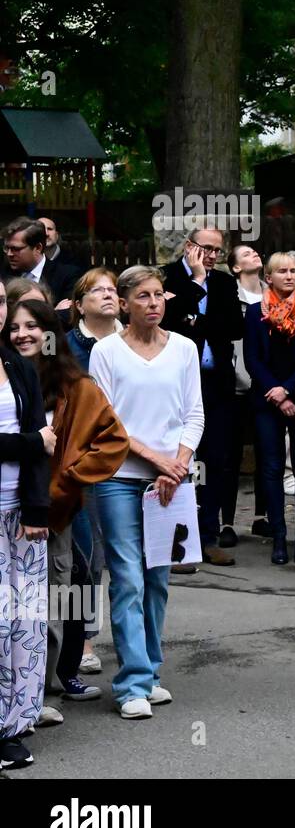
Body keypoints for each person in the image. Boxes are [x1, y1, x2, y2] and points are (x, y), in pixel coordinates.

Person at [90, 265, 205, 719]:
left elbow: (193, 413)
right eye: (143, 296)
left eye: (159, 295)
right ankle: (131, 683)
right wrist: (158, 461)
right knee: (128, 576)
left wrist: (175, 465)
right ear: (124, 303)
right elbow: (106, 422)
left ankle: (151, 672)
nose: (154, 303)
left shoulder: (184, 348)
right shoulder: (106, 351)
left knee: (159, 576)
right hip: (119, 476)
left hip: (171, 478)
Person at [8, 300, 127, 714]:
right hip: (11, 506)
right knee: (21, 602)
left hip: (57, 509)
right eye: (14, 327)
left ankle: (59, 676)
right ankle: (27, 693)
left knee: (68, 588)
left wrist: (71, 474)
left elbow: (113, 440)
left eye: (32, 326)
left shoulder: (76, 385)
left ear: (50, 335)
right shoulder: (8, 380)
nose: (22, 334)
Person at [161, 227, 243, 568]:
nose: (211, 256)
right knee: (175, 461)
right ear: (189, 246)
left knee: (215, 459)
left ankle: (207, 537)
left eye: (217, 251)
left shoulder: (224, 283)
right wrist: (195, 284)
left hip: (215, 383)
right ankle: (173, 540)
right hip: (176, 384)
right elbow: (170, 321)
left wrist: (198, 320)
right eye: (205, 248)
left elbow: (235, 327)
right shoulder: (167, 278)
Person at [0, 291, 53, 769]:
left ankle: (11, 726)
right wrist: (30, 441)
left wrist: (38, 510)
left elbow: (44, 444)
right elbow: (37, 438)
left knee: (24, 622)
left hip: (18, 515)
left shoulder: (16, 365)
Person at [245, 252, 295, 565]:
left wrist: (289, 389)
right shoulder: (255, 313)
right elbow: (252, 358)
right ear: (269, 277)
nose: (291, 276)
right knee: (272, 467)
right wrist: (277, 394)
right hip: (267, 398)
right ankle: (278, 537)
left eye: (294, 270)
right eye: (283, 271)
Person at [65, 268, 123, 676]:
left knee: (125, 553)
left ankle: (131, 636)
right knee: (86, 554)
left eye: (112, 289)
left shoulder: (134, 340)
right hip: (83, 459)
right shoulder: (66, 346)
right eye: (96, 290)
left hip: (130, 456)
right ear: (78, 302)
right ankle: (81, 640)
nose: (107, 295)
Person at [226, 244, 269, 543]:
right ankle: (226, 523)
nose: (254, 254)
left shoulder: (273, 294)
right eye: (245, 254)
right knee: (230, 456)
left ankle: (261, 517)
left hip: (266, 385)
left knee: (267, 453)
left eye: (256, 251)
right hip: (236, 383)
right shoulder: (230, 297)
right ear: (235, 268)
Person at [2, 217, 79, 302]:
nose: (9, 254)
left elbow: (68, 313)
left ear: (38, 248)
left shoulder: (67, 276)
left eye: (16, 249)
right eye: (6, 248)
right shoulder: (3, 276)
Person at [37, 216, 86, 308]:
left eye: (50, 229)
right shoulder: (26, 264)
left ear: (57, 235)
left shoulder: (73, 262)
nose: (46, 233)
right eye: (41, 229)